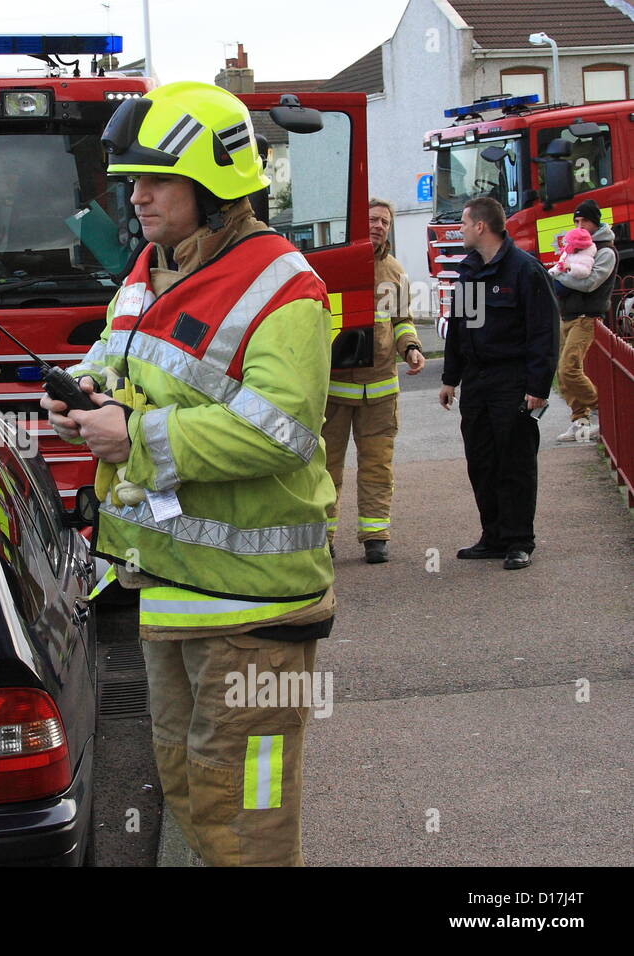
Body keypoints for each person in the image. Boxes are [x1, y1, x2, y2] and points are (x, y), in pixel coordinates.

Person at [42, 81, 336, 866]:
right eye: (129, 179)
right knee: (192, 794)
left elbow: (282, 431)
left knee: (248, 816)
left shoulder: (283, 285)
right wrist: (82, 396)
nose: (134, 196)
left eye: (155, 180)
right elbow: (114, 358)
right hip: (173, 589)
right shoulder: (151, 267)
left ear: (215, 185)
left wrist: (133, 437)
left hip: (254, 607)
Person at [439, 197, 559, 570]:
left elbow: (544, 332)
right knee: (483, 460)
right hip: (478, 380)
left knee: (515, 461)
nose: (459, 229)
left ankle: (519, 540)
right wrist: (449, 378)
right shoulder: (471, 270)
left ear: (480, 227)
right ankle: (493, 537)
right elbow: (461, 328)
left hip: (513, 379)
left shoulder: (524, 271)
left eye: (463, 223)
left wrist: (538, 388)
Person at [322, 198, 425, 563]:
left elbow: (402, 321)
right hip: (335, 388)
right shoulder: (336, 267)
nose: (379, 225)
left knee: (377, 466)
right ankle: (324, 538)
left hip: (380, 389)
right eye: (372, 219)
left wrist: (410, 347)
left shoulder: (395, 271)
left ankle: (375, 535)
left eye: (384, 221)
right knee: (326, 467)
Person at [551, 198, 614, 442]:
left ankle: (603, 412)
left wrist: (559, 276)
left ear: (594, 223)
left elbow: (589, 283)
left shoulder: (605, 251)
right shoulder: (575, 247)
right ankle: (580, 421)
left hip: (587, 316)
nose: (579, 225)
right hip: (567, 314)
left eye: (584, 220)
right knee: (563, 372)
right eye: (576, 221)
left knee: (570, 369)